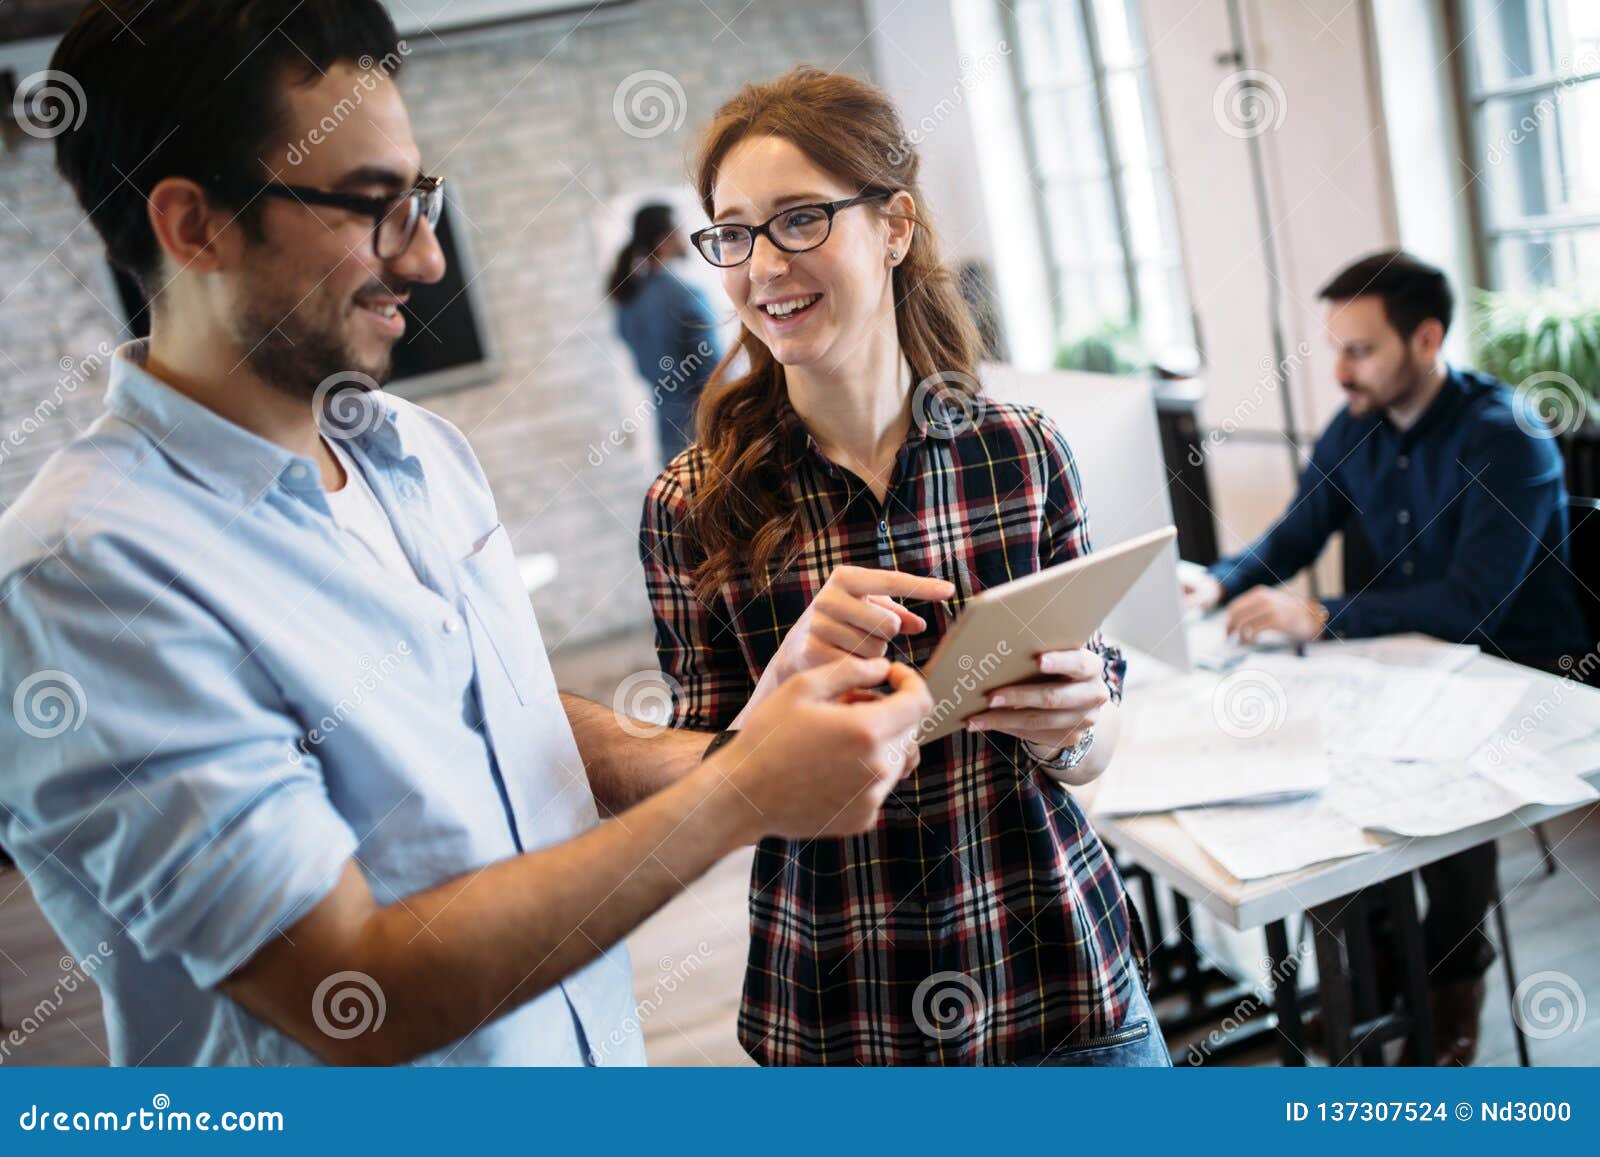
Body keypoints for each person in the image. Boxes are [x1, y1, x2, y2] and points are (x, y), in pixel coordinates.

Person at [0, 0, 932, 1068]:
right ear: (193, 224)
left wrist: (745, 742)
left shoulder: (418, 452)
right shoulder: (88, 577)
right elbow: (359, 987)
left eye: (420, 198)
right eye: (371, 205)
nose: (428, 258)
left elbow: (497, 716)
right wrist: (742, 792)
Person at [639, 67, 1163, 1067]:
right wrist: (777, 702)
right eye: (734, 232)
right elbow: (692, 798)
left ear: (893, 226)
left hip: (1062, 984)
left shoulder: (1020, 450)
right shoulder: (693, 507)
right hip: (846, 1010)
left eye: (798, 220)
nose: (761, 266)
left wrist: (1070, 728)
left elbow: (1094, 745)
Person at [1182, 249, 1589, 1064]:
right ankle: (1369, 981)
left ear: (1427, 339)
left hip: (1512, 675)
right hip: (1399, 665)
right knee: (1315, 773)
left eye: (1359, 350)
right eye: (1335, 346)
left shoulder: (1507, 434)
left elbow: (1472, 603)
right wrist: (1217, 586)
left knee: (1450, 781)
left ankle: (1451, 986)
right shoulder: (1358, 423)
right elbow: (1296, 532)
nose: (1338, 370)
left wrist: (1319, 614)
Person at [609, 203, 723, 463]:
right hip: (706, 431)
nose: (687, 238)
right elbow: (714, 372)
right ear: (665, 241)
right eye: (680, 231)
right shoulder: (687, 295)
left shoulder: (627, 302)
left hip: (667, 431)